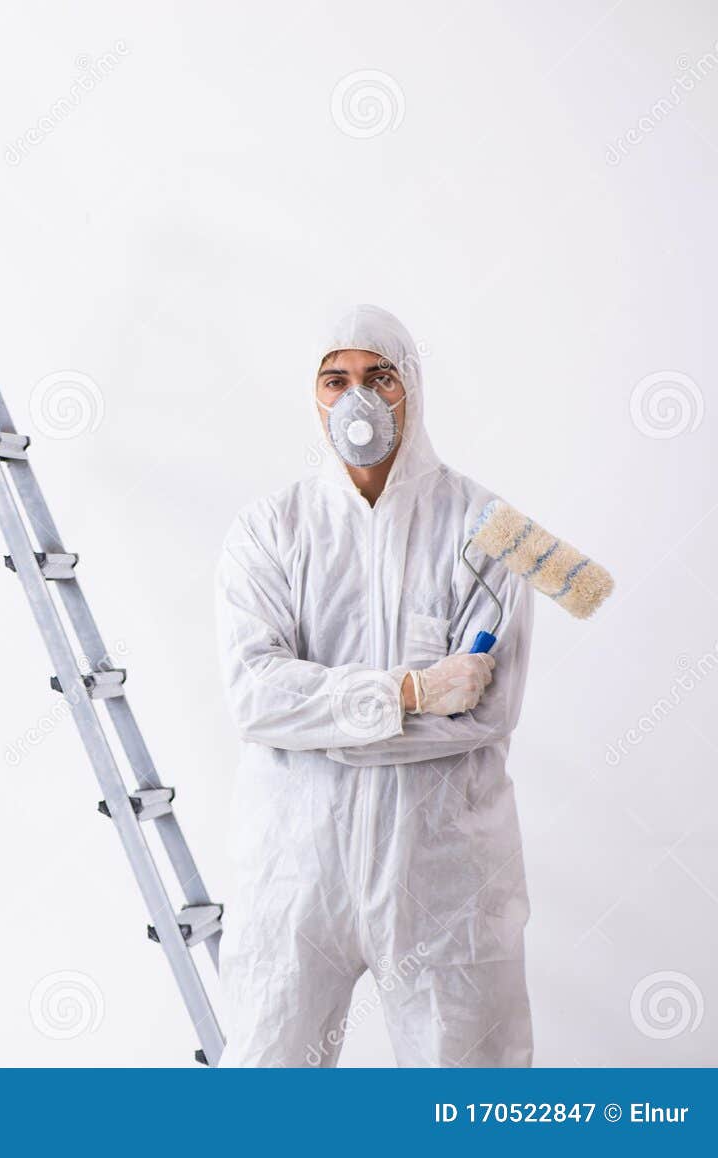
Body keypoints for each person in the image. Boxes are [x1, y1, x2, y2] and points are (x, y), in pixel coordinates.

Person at [213, 304, 534, 1067]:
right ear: (315, 395)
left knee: (467, 1103)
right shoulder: (271, 529)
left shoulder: (490, 527)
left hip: (445, 877)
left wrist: (325, 722)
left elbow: (488, 713)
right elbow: (253, 696)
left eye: (378, 377)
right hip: (294, 871)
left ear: (411, 388)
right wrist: (410, 695)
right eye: (337, 380)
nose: (358, 399)